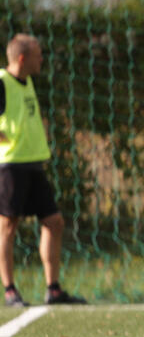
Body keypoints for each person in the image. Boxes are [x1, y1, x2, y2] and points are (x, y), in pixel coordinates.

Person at [0, 35, 86, 307]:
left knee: (54, 222)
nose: (42, 59)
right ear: (23, 59)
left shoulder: (26, 83)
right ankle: (10, 289)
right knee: (7, 226)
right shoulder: (2, 82)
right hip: (10, 166)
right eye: (38, 54)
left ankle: (53, 289)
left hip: (33, 164)